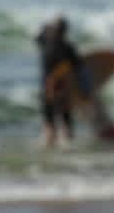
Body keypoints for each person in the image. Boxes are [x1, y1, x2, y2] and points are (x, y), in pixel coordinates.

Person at [35, 15, 88, 148]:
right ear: (66, 31)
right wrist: (84, 90)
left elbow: (37, 36)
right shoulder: (68, 48)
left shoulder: (45, 43)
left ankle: (50, 154)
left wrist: (45, 26)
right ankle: (67, 154)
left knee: (49, 126)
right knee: (67, 127)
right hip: (62, 92)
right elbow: (80, 69)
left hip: (47, 90)